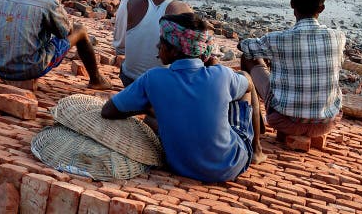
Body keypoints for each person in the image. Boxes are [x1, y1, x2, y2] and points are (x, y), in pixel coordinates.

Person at [102, 13, 265, 183]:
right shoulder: (221, 75)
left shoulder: (153, 78)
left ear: (173, 50)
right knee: (246, 78)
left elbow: (108, 111)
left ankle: (256, 150)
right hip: (229, 165)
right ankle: (256, 150)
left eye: (162, 43)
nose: (158, 46)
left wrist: (149, 106)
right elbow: (248, 85)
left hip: (180, 166)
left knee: (155, 117)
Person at [239, 0, 345, 139]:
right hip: (326, 124)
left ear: (292, 4)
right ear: (321, 8)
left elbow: (245, 47)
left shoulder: (278, 39)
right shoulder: (338, 37)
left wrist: (244, 43)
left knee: (248, 57)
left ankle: (256, 123)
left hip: (283, 121)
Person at [115, 0, 192, 87]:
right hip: (159, 86)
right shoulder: (182, 9)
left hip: (129, 79)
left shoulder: (132, 2)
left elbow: (120, 45)